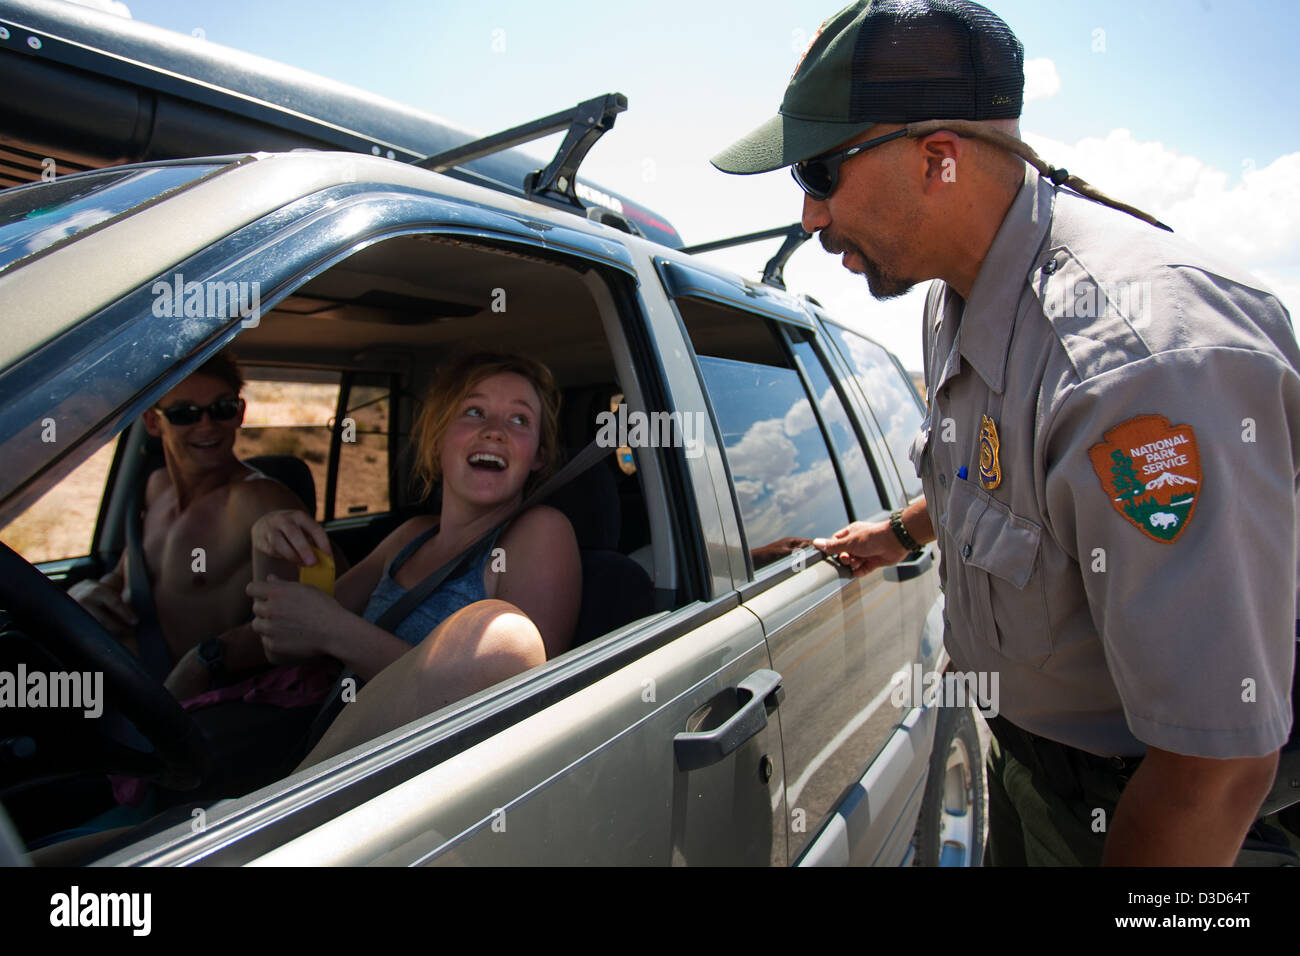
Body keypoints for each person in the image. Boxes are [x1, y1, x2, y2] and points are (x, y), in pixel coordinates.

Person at [712, 0, 1300, 865]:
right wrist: (901, 531)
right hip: (1027, 765)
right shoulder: (954, 299)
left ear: (939, 159)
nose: (809, 217)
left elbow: (1216, 763)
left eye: (819, 173)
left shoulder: (1137, 368)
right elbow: (991, 477)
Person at [233, 352, 581, 766]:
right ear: (437, 440)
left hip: (419, 778)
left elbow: (523, 704)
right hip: (323, 746)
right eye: (474, 411)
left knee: (502, 636)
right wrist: (268, 547)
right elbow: (292, 642)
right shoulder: (411, 536)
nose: (494, 432)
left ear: (538, 456)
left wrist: (336, 631)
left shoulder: (541, 532)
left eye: (519, 420)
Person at [67, 351, 314, 684]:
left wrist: (209, 659)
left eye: (222, 408)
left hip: (190, 710)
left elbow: (334, 603)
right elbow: (128, 573)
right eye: (185, 414)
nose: (207, 425)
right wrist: (86, 592)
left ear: (239, 413)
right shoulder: (155, 488)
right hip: (120, 684)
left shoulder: (259, 500)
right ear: (154, 423)